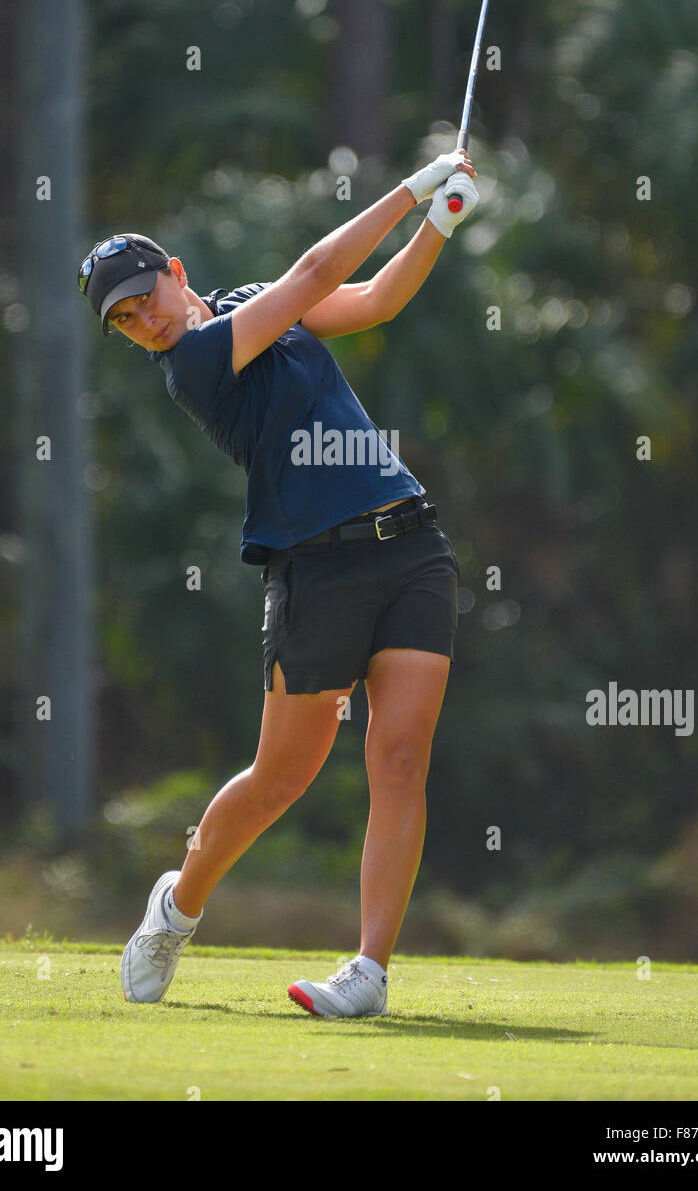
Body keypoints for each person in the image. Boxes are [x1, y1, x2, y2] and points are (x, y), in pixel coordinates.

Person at [78, 149, 479, 1017]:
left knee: (401, 760)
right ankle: (177, 907)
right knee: (280, 778)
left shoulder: (246, 312)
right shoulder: (195, 361)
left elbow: (372, 300)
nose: (142, 319)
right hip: (316, 567)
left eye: (144, 296)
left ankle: (369, 973)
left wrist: (437, 227)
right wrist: (410, 190)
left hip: (409, 546)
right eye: (123, 320)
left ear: (175, 273)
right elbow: (317, 268)